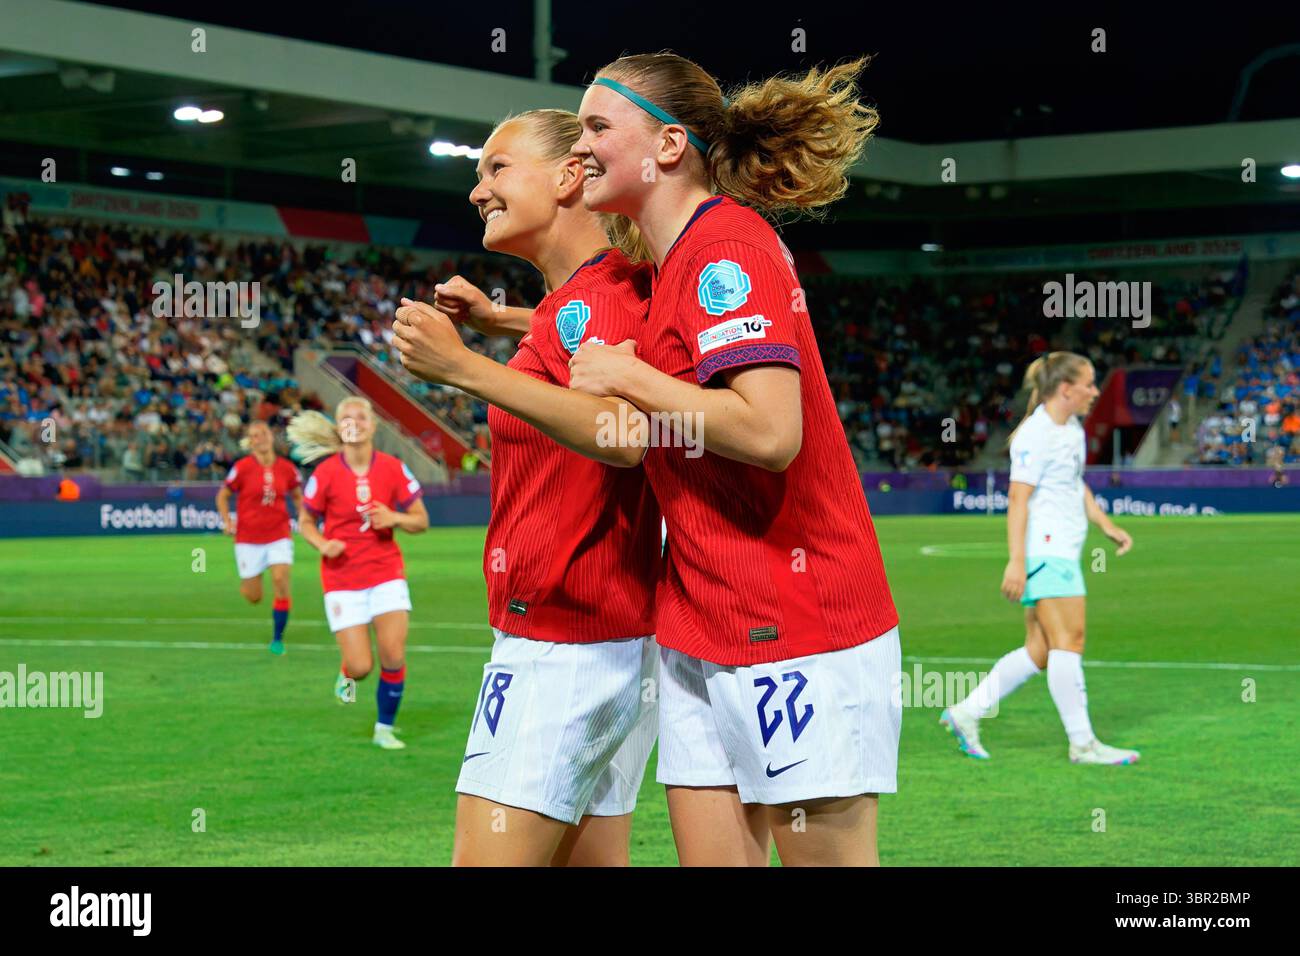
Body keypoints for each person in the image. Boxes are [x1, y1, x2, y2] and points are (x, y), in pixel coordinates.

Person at [563, 53, 901, 866]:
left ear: (669, 145)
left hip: (800, 619)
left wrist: (629, 375)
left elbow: (769, 433)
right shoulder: (674, 262)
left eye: (597, 127)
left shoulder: (728, 253)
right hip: (699, 620)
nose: (577, 148)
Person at [392, 108, 664, 866]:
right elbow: (576, 334)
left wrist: (463, 368)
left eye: (496, 168)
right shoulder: (596, 295)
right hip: (612, 636)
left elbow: (624, 434)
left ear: (569, 176)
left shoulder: (595, 300)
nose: (478, 190)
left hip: (562, 643)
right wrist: (499, 319)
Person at [941, 352, 1140, 765]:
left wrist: (1105, 523)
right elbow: (1018, 497)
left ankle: (966, 711)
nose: (1095, 391)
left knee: (1041, 650)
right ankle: (1083, 743)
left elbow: (1074, 483)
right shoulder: (1036, 434)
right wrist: (1017, 560)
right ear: (1066, 388)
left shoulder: (1070, 429)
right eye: (1088, 383)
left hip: (1059, 550)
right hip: (1047, 552)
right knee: (1071, 640)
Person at [288, 397, 429, 750]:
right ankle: (346, 672)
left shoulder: (394, 468)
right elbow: (305, 521)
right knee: (362, 666)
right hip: (342, 580)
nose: (354, 422)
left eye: (361, 416)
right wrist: (322, 544)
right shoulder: (325, 474)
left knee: (393, 655)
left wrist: (394, 517)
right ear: (338, 427)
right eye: (346, 416)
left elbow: (421, 520)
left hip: (386, 573)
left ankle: (384, 728)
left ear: (372, 425)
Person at [215, 420, 302, 654]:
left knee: (280, 579)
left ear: (271, 437)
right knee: (254, 597)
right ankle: (249, 580)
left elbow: (297, 495)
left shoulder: (286, 468)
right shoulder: (242, 467)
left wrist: (305, 518)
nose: (260, 438)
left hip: (279, 534)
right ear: (250, 442)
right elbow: (222, 496)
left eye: (263, 433)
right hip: (248, 538)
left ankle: (277, 640)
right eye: (254, 436)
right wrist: (227, 520)